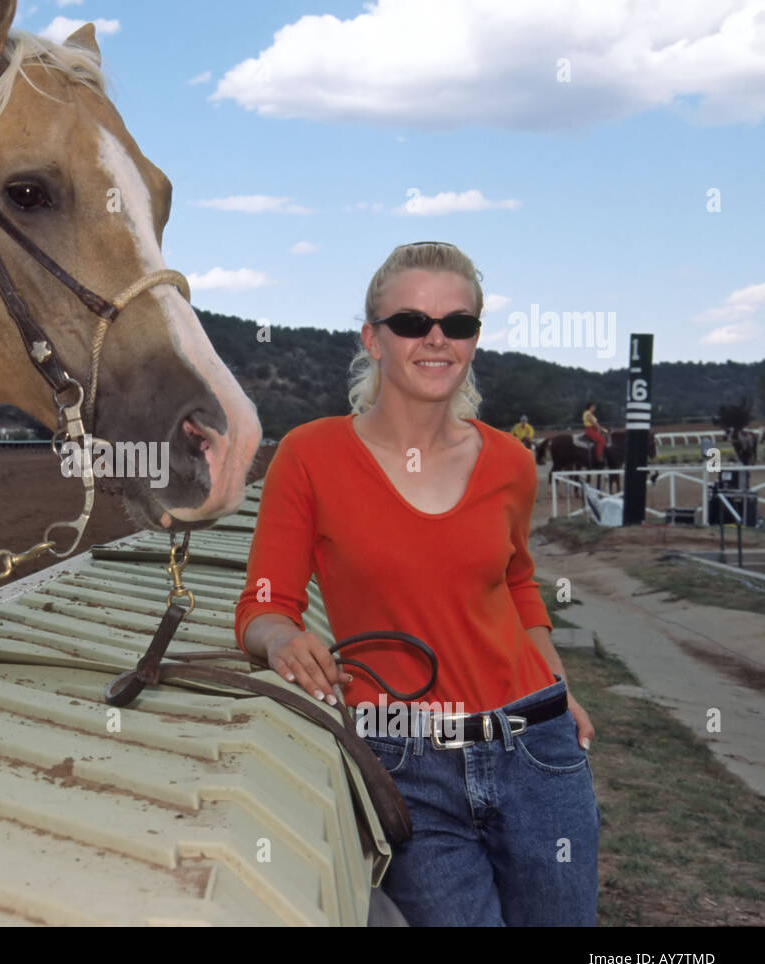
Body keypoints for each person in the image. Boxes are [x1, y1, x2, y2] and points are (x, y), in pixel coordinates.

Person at [234, 241, 599, 926]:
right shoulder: (309, 455)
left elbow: (518, 583)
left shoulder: (511, 462)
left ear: (474, 340)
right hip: (405, 759)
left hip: (536, 747)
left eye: (457, 324)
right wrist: (282, 638)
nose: (436, 338)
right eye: (411, 322)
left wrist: (558, 683)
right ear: (372, 338)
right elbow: (262, 604)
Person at [582, 402, 607, 467]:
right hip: (590, 430)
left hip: (593, 429)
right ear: (590, 407)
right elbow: (593, 422)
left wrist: (603, 429)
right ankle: (598, 456)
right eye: (593, 407)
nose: (594, 408)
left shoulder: (590, 413)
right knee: (601, 440)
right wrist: (599, 428)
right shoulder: (588, 413)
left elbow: (596, 423)